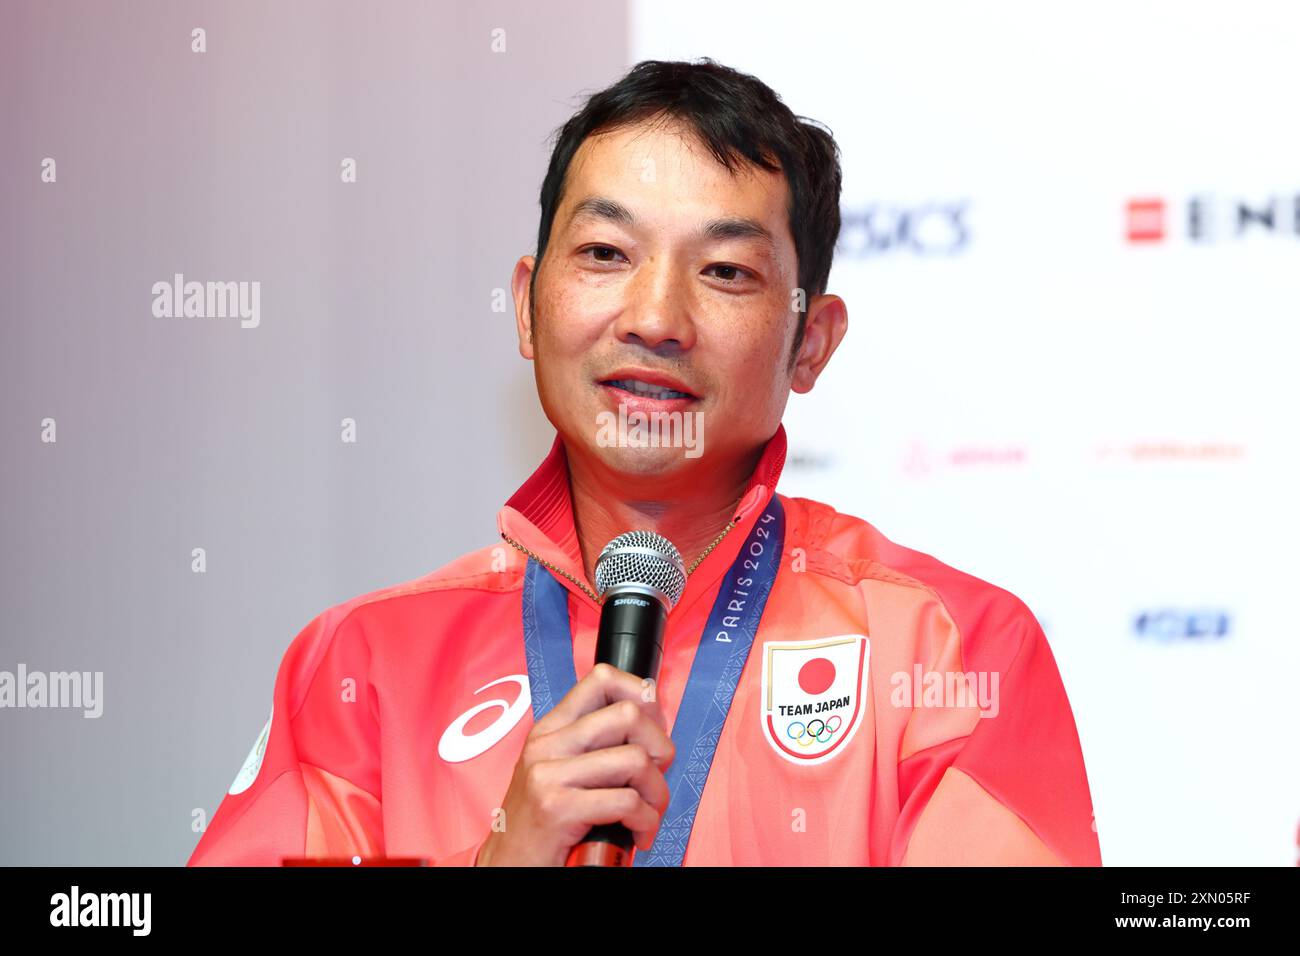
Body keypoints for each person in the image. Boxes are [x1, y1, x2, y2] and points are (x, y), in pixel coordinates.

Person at [187, 58, 1101, 867]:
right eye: (604, 253)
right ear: (526, 305)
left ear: (812, 343)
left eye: (726, 271)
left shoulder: (948, 649)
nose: (655, 316)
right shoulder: (363, 666)